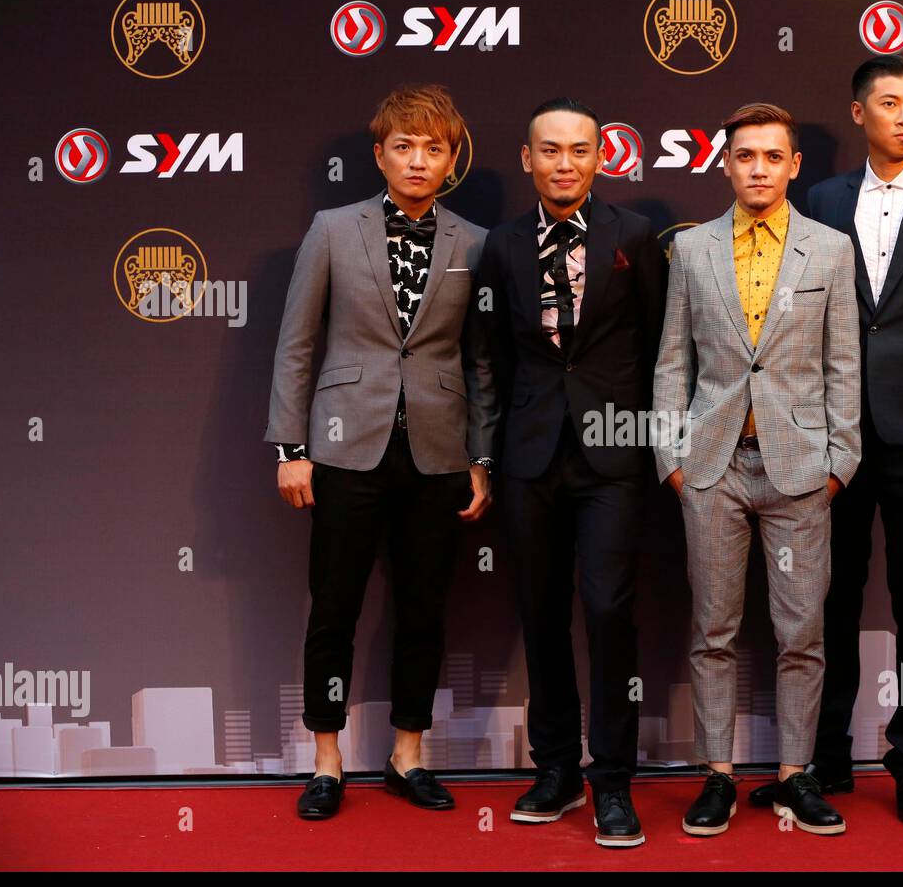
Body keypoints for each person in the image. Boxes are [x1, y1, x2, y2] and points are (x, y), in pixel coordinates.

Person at [751, 55, 903, 826]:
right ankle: (823, 759)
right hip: (830, 431)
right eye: (889, 103)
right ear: (858, 114)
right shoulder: (819, 197)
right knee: (824, 599)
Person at [264, 84, 497, 820]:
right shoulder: (333, 229)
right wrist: (291, 448)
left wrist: (480, 458)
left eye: (433, 148)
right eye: (405, 146)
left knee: (424, 611)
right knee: (334, 608)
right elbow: (297, 343)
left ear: (451, 158)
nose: (418, 160)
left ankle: (407, 753)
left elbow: (481, 361)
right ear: (380, 155)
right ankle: (326, 761)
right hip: (342, 448)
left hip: (435, 451)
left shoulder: (475, 242)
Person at [652, 102, 861, 837]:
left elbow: (844, 366)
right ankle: (716, 776)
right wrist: (671, 459)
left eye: (774, 157)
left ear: (794, 165)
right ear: (727, 163)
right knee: (713, 628)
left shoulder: (831, 248)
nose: (760, 169)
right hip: (711, 469)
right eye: (746, 156)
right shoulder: (693, 248)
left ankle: (795, 775)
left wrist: (839, 463)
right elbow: (673, 360)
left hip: (801, 470)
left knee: (801, 631)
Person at [473, 98, 665, 847]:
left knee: (609, 610)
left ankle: (613, 780)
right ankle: (555, 771)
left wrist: (658, 444)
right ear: (528, 159)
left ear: (599, 158)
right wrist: (484, 456)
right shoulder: (502, 246)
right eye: (548, 150)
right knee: (540, 613)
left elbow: (657, 351)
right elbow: (488, 355)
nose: (563, 162)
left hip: (615, 453)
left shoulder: (636, 238)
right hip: (528, 455)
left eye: (578, 150)